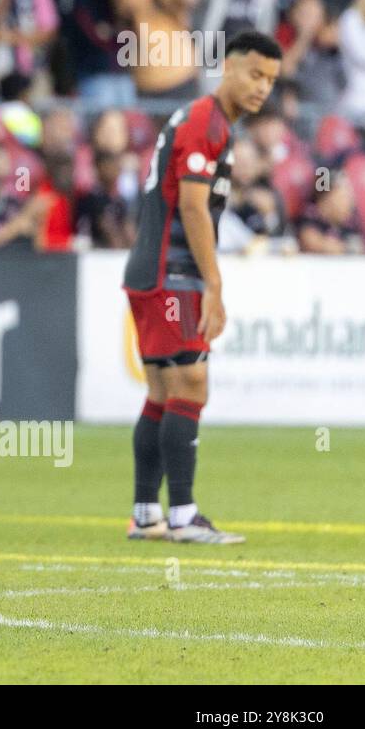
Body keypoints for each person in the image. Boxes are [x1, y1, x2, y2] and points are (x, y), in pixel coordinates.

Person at [123, 31, 282, 545]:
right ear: (229, 67)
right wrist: (214, 283)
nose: (262, 88)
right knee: (191, 385)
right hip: (172, 273)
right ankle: (184, 515)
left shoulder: (208, 123)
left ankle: (147, 512)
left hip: (152, 270)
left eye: (271, 80)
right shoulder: (205, 122)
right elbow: (192, 206)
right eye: (255, 74)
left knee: (163, 391)